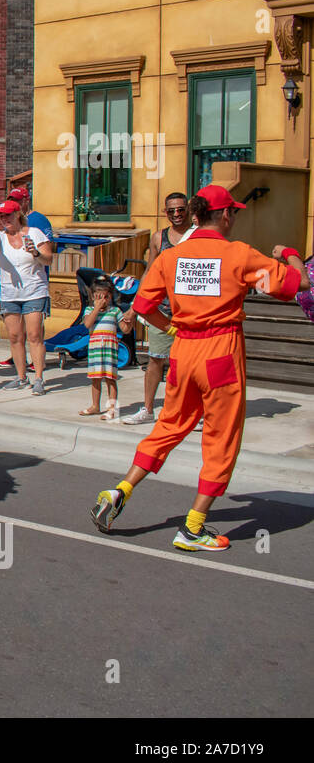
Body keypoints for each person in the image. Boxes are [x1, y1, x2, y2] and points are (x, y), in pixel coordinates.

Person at [91, 184, 311, 552]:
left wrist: (171, 327)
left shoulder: (171, 256)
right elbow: (299, 282)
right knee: (221, 439)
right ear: (225, 215)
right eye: (234, 212)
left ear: (194, 215)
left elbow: (143, 307)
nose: (235, 217)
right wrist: (289, 253)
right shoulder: (238, 254)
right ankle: (193, 527)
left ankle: (120, 489)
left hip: (184, 352)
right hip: (221, 352)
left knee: (169, 427)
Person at [123, 192, 194, 425]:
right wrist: (135, 307)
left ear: (189, 210)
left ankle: (192, 411)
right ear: (165, 212)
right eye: (171, 210)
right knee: (156, 359)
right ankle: (148, 408)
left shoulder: (198, 235)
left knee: (189, 364)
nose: (176, 214)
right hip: (162, 310)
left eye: (181, 209)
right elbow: (150, 273)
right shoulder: (158, 238)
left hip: (191, 310)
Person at [0, 199, 53, 394]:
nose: (5, 219)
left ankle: (38, 378)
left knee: (34, 335)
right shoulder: (0, 237)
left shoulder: (34, 233)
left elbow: (48, 259)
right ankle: (21, 377)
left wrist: (36, 253)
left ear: (18, 215)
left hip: (34, 292)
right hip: (10, 293)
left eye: (8, 215)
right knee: (14, 336)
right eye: (2, 216)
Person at [80, 274, 121, 420]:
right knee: (95, 378)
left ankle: (112, 408)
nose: (102, 300)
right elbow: (87, 324)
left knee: (110, 378)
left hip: (110, 349)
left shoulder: (115, 311)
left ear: (110, 297)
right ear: (93, 296)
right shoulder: (89, 311)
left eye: (105, 297)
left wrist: (129, 319)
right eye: (98, 296)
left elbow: (125, 328)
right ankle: (95, 406)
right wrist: (96, 308)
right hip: (95, 349)